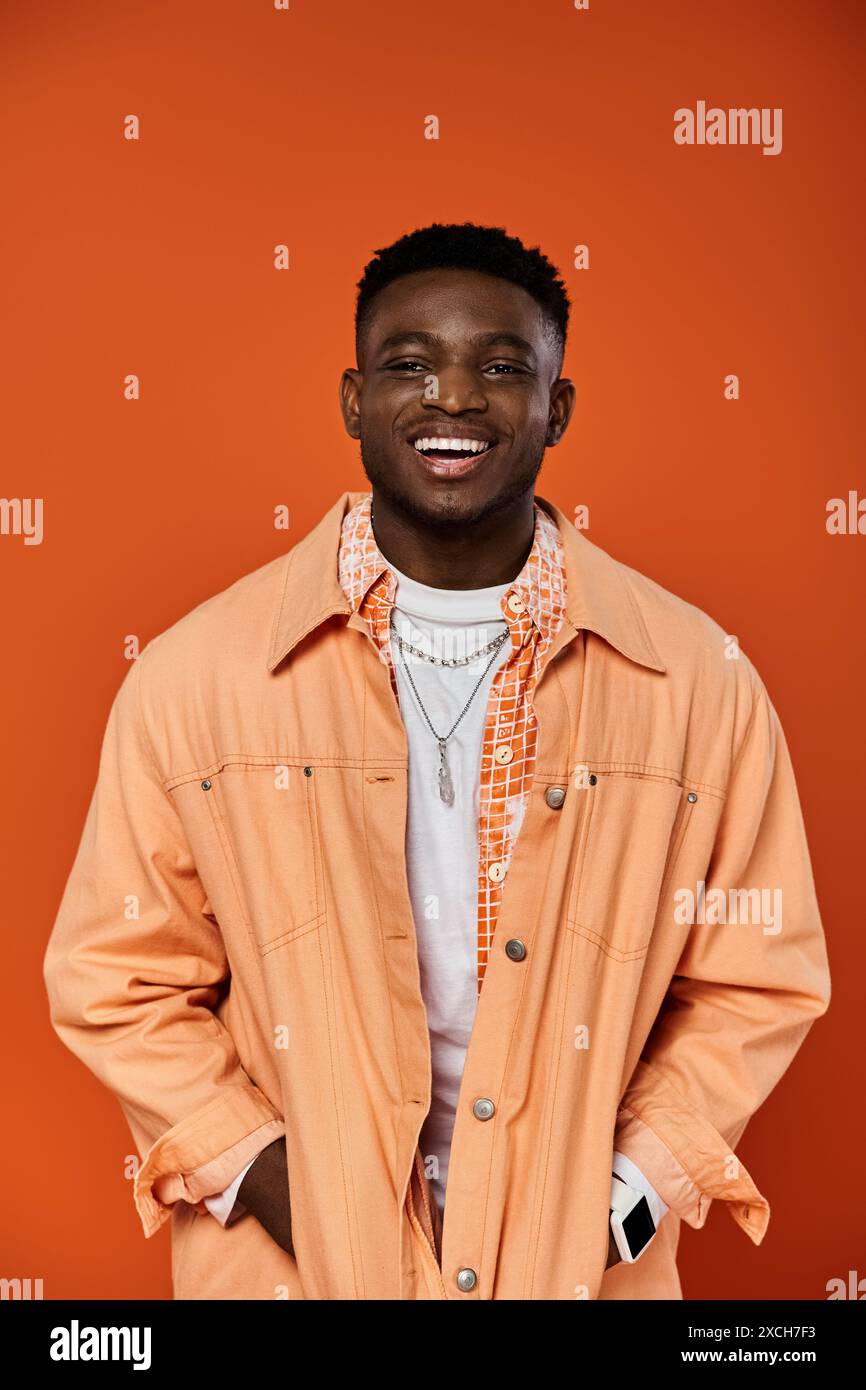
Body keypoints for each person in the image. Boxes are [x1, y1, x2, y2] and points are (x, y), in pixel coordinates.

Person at [44, 222, 831, 1300]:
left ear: (555, 407)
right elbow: (113, 976)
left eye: (500, 367)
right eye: (408, 364)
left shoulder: (695, 681)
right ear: (353, 400)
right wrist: (274, 1182)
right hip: (292, 1272)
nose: (451, 398)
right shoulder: (197, 678)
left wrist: (622, 1201)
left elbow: (757, 974)